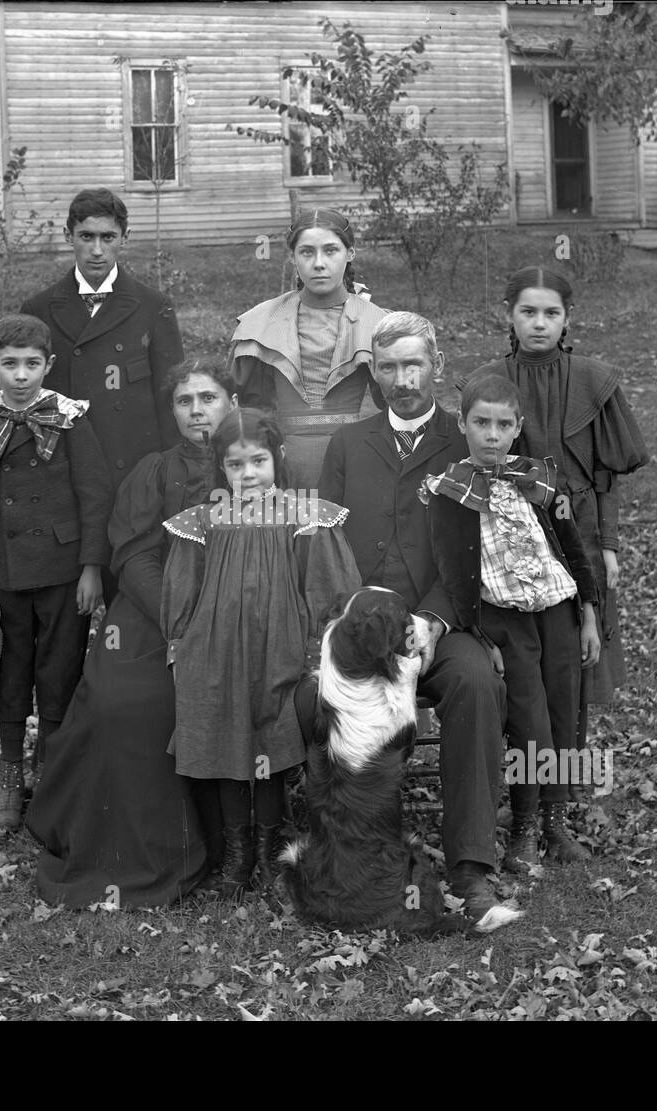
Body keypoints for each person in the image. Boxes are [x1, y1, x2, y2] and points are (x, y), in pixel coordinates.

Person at [24, 361, 241, 907]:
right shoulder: (152, 471)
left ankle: (214, 842)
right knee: (121, 704)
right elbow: (134, 554)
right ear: (171, 411)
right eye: (184, 400)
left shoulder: (251, 463)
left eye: (208, 398)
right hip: (150, 613)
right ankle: (112, 848)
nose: (196, 409)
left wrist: (214, 612)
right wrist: (177, 612)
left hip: (231, 610)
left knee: (188, 699)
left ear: (230, 404)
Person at [315, 311, 509, 917]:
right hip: (362, 624)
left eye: (414, 364)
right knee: (310, 691)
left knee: (475, 682)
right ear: (374, 374)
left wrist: (434, 619)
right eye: (390, 367)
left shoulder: (467, 440)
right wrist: (352, 619)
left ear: (437, 368)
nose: (403, 378)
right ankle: (345, 851)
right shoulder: (348, 443)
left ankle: (470, 867)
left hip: (439, 618)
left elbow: (483, 551)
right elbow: (324, 539)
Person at [161, 409, 362, 896]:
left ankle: (273, 849)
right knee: (229, 745)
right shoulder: (204, 521)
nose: (248, 474)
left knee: (268, 745)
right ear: (221, 468)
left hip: (280, 650)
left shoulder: (302, 514)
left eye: (258, 461)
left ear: (278, 458)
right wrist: (179, 648)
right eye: (235, 465)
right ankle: (237, 852)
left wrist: (315, 650)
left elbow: (327, 587)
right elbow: (182, 591)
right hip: (216, 654)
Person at [461, 266, 649, 760]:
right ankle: (522, 778)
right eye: (528, 312)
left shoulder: (592, 379)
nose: (539, 323)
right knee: (521, 664)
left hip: (578, 534)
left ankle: (565, 782)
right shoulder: (490, 382)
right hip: (512, 537)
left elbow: (608, 474)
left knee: (576, 661)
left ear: (568, 319)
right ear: (510, 316)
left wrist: (607, 545)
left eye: (551, 313)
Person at [421, 373, 600, 871]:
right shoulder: (451, 491)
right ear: (462, 424)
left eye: (504, 424)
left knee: (564, 719)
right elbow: (454, 575)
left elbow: (574, 551)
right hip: (505, 622)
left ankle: (555, 821)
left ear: (518, 426)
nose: (493, 435)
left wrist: (587, 614)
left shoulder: (540, 481)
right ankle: (522, 826)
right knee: (530, 724)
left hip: (558, 613)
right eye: (482, 423)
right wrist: (480, 637)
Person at [0, 314, 113, 831]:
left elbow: (95, 496)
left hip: (66, 571)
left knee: (60, 668)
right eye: (9, 364)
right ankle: (9, 777)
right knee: (12, 671)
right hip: (5, 570)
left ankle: (51, 775)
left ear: (49, 365)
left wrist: (92, 567)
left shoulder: (70, 419)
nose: (20, 375)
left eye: (31, 364)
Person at [20, 187, 185, 486]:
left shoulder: (154, 307)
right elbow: (26, 401)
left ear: (125, 237)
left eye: (107, 237)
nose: (97, 250)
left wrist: (171, 477)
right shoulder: (38, 310)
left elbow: (170, 398)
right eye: (86, 236)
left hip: (135, 471)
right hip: (65, 470)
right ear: (68, 235)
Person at [229, 208, 388, 491]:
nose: (319, 263)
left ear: (350, 253)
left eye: (330, 251)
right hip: (282, 462)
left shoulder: (377, 322)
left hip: (355, 458)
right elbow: (251, 411)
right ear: (292, 258)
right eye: (306, 252)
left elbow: (398, 405)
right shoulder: (261, 322)